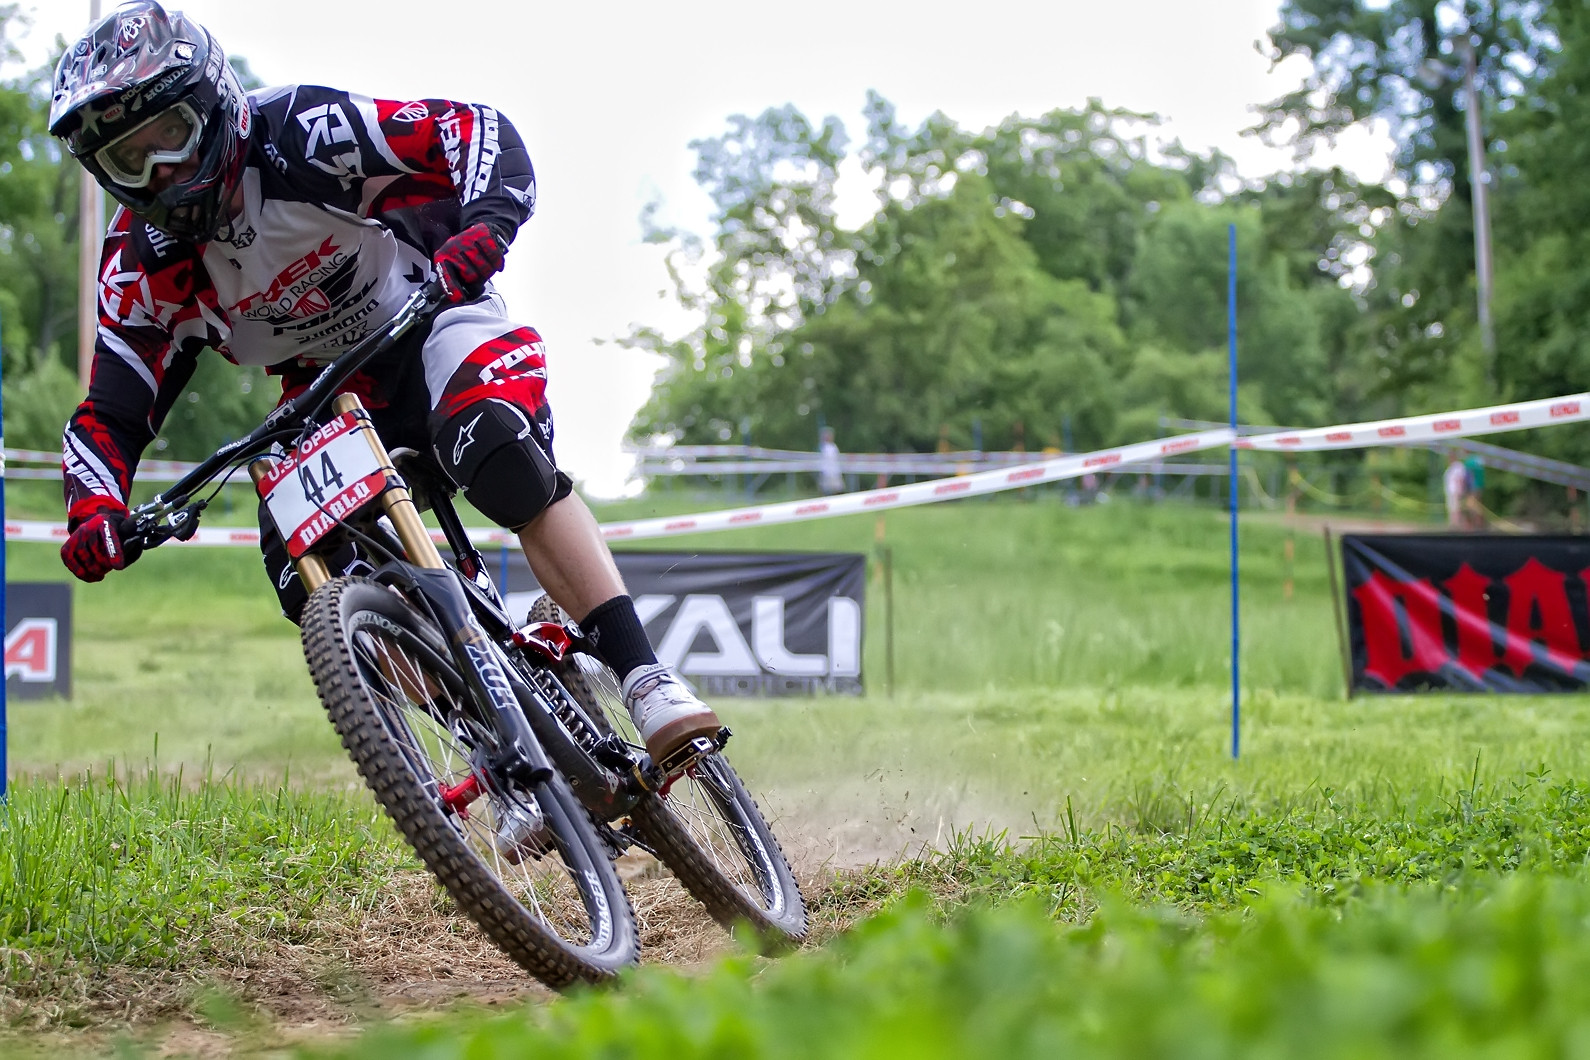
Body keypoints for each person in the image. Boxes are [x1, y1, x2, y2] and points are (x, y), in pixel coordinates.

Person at [48, 2, 717, 764]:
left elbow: (473, 130)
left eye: (167, 135)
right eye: (127, 160)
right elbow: (110, 413)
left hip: (435, 311)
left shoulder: (303, 132)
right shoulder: (141, 264)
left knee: (494, 446)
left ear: (213, 102)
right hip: (329, 388)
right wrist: (94, 511)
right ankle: (495, 752)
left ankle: (644, 677)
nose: (159, 173)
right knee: (303, 572)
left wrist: (485, 227)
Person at [1443, 451, 1470, 529]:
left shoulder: (1458, 466)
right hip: (1451, 492)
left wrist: (1460, 490)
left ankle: (1458, 524)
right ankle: (1454, 524)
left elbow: (1461, 479)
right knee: (1452, 508)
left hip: (1456, 491)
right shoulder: (1451, 467)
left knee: (1457, 508)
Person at [817, 426, 843, 495]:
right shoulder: (823, 447)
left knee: (837, 489)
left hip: (834, 471)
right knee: (825, 489)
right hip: (826, 472)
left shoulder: (834, 447)